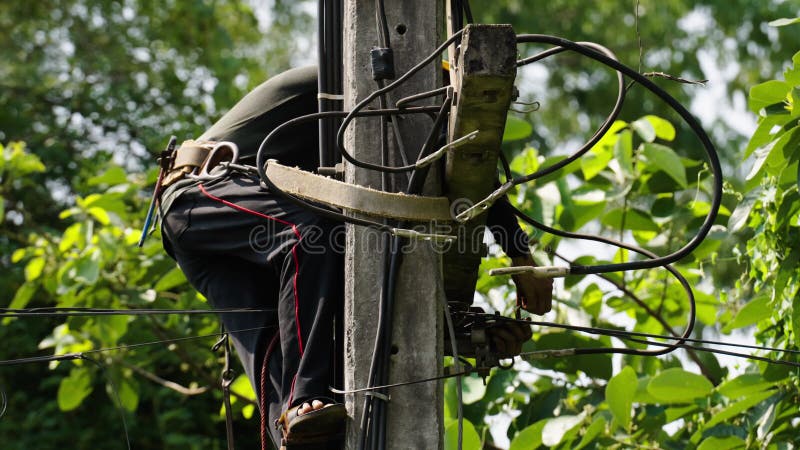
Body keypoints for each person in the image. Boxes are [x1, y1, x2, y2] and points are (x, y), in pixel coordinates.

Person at [157, 65, 552, 449]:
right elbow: (477, 173)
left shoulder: (393, 112)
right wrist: (521, 255)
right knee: (311, 234)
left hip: (221, 229)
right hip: (198, 192)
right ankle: (303, 397)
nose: (446, 115)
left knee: (278, 356)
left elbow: (393, 262)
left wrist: (468, 328)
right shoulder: (377, 81)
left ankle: (294, 422)